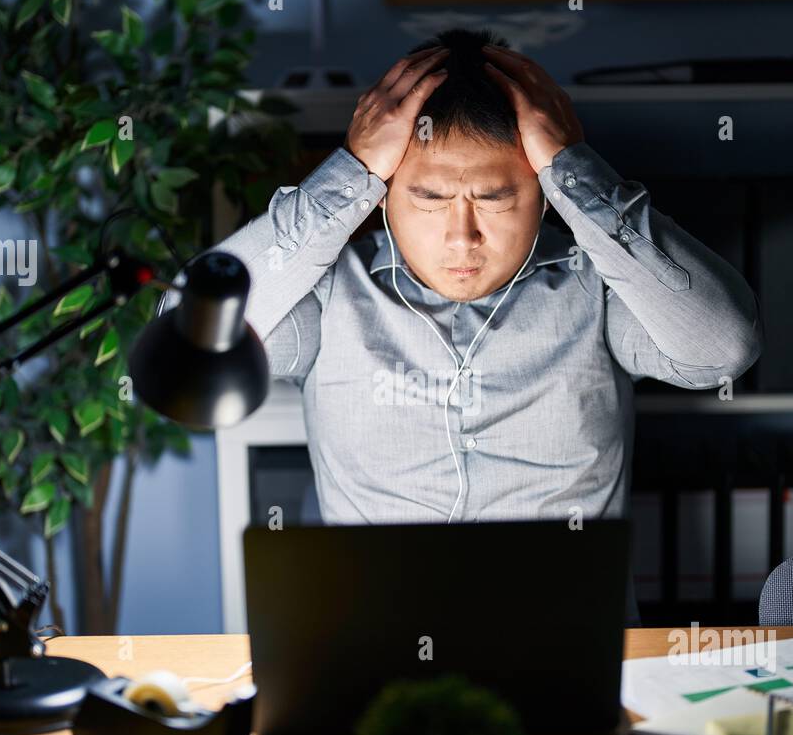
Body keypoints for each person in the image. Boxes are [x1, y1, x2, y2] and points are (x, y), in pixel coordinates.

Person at [213, 28, 762, 526]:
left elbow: (722, 351)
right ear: (381, 196)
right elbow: (194, 335)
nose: (462, 238)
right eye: (429, 199)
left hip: (565, 633)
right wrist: (348, 171)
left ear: (544, 196)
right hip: (374, 634)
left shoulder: (598, 289)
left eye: (495, 200)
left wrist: (575, 171)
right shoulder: (331, 297)